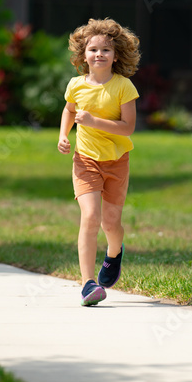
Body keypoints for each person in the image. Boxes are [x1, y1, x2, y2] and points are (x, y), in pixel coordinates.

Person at [58, 18, 141, 306]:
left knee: (111, 223)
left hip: (117, 161)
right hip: (85, 160)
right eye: (93, 49)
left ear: (116, 55)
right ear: (84, 55)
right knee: (90, 217)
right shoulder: (76, 85)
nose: (99, 54)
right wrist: (63, 135)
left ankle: (114, 253)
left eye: (106, 50)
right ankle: (87, 284)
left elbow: (128, 127)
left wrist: (94, 121)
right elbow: (69, 110)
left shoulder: (123, 87)